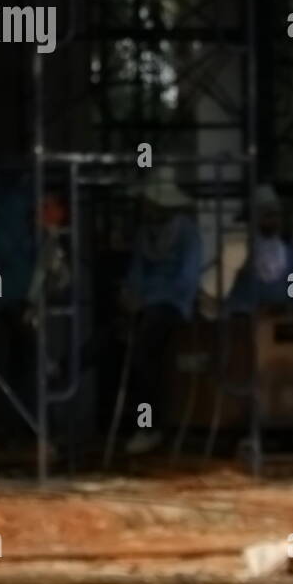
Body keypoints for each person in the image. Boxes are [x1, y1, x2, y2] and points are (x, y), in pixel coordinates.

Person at [120, 167, 203, 455]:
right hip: (144, 305)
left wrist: (148, 298)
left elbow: (186, 280)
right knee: (115, 339)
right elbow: (135, 273)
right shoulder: (145, 234)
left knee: (144, 354)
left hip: (172, 306)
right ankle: (62, 371)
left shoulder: (186, 233)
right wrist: (131, 295)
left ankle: (149, 427)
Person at [227, 184, 293, 311]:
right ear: (255, 218)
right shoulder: (240, 250)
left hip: (279, 320)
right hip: (247, 319)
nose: (274, 220)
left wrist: (292, 308)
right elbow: (231, 289)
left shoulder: (288, 253)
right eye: (268, 215)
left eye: (276, 215)